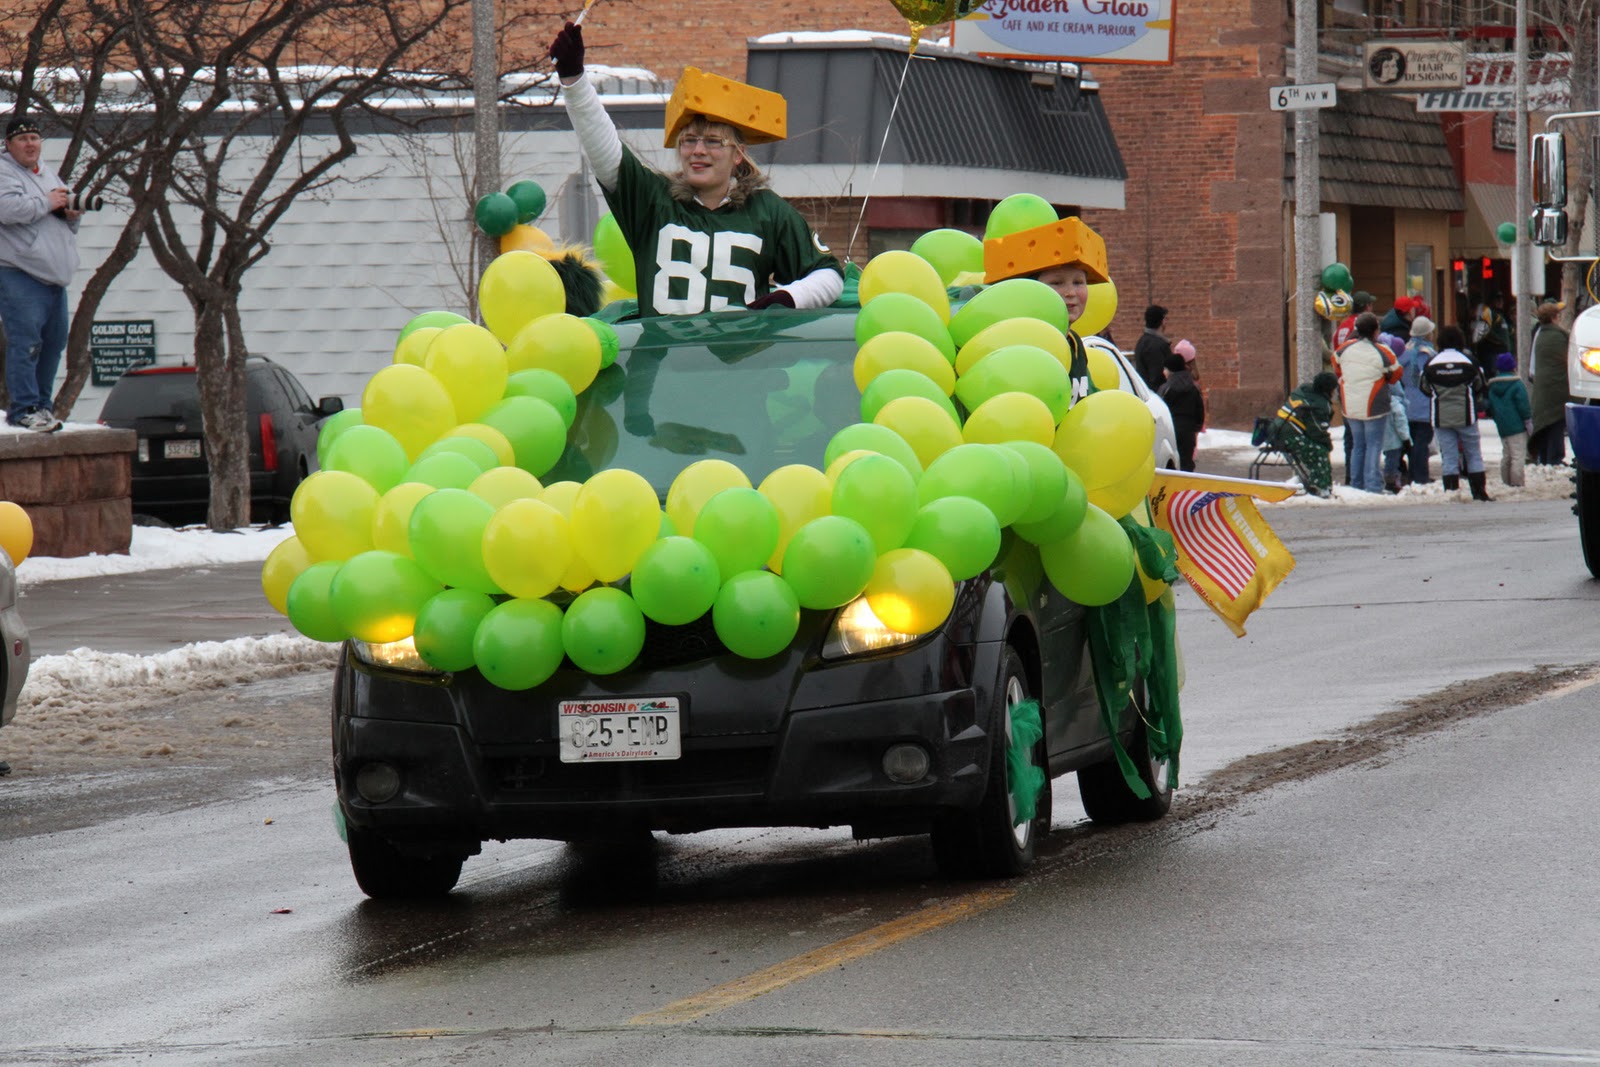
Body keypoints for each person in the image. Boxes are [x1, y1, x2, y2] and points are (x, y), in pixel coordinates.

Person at [547, 23, 843, 317]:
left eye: (713, 141)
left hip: (741, 362)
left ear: (738, 154)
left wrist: (788, 297)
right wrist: (574, 80)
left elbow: (828, 276)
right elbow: (605, 151)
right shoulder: (653, 201)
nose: (698, 151)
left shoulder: (767, 211)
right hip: (665, 362)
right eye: (689, 141)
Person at [0, 116, 80, 432]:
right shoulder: (4, 172)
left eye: (34, 137)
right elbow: (8, 210)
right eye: (23, 139)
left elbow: (58, 218)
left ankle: (42, 408)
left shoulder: (46, 172)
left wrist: (71, 215)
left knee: (53, 342)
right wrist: (48, 202)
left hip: (53, 275)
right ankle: (23, 409)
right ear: (8, 144)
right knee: (26, 342)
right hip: (19, 271)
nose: (30, 144)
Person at [982, 214, 1108, 404]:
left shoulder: (1075, 344)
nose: (1070, 292)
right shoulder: (1021, 343)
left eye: (1078, 282)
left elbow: (1087, 397)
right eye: (1057, 283)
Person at [1332, 311, 1401, 493]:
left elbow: (1336, 366)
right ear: (1376, 331)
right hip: (1374, 404)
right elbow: (1396, 374)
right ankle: (1373, 485)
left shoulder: (1343, 349)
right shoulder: (1383, 351)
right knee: (1374, 445)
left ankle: (1356, 484)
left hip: (1350, 404)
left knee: (1358, 445)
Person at [1422, 324, 1492, 501]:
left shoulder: (1431, 363)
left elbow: (1424, 387)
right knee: (1473, 453)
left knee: (1449, 455)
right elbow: (1480, 385)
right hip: (1466, 414)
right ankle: (1479, 492)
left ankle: (1452, 493)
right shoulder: (1470, 362)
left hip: (1441, 416)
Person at [1265, 371, 1338, 496]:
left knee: (1316, 449)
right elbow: (1317, 432)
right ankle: (1320, 486)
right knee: (1319, 451)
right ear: (1329, 389)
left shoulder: (1302, 391)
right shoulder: (1320, 405)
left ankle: (1309, 481)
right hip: (1289, 436)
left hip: (1274, 431)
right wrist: (1327, 445)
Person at [1528, 296, 1572, 466]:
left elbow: (1532, 368)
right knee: (1555, 423)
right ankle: (1555, 459)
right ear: (1554, 318)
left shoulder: (1540, 334)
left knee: (1546, 424)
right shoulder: (1558, 336)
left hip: (1542, 388)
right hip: (1557, 389)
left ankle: (1545, 457)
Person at [1399, 315, 1437, 484]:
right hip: (1424, 403)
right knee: (1422, 442)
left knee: (1411, 441)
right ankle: (1420, 476)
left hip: (1406, 402)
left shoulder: (1405, 352)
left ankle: (1410, 473)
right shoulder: (1428, 354)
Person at [1485, 351, 1532, 488]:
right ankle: (1517, 482)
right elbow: (1523, 405)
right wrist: (1527, 421)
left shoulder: (1493, 386)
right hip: (1517, 426)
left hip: (1503, 427)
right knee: (1518, 455)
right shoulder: (1516, 384)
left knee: (1507, 455)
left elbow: (1492, 407)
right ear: (1513, 367)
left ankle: (1506, 480)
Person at [1158, 351, 1203, 472]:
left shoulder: (1166, 388)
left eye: (1165, 369)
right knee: (1186, 463)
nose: (1163, 372)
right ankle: (1186, 488)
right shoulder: (1193, 387)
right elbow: (1200, 410)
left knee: (1171, 462)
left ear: (1171, 370)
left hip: (1171, 430)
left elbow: (1160, 409)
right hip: (1188, 430)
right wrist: (1196, 427)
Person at [1469, 288, 1512, 379]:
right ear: (1492, 300)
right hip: (1492, 354)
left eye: (1501, 299)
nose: (1500, 301)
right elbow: (1483, 331)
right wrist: (1500, 342)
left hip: (1503, 354)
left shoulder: (1502, 316)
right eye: (1497, 299)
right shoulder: (1487, 312)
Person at [1133, 304, 1170, 391]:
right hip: (1157, 396)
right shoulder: (1156, 345)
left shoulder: (1142, 342)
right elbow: (1157, 377)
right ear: (1162, 322)